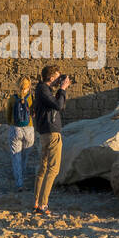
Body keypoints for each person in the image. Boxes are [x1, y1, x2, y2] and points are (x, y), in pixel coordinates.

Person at [32, 65, 71, 214]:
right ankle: (43, 204)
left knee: (43, 168)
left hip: (44, 132)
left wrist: (60, 90)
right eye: (58, 77)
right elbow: (58, 105)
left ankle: (37, 202)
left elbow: (54, 105)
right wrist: (62, 89)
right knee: (53, 169)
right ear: (52, 77)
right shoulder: (43, 89)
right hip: (52, 133)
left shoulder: (41, 90)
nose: (59, 80)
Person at [5, 77, 36, 191]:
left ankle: (19, 183)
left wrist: (11, 123)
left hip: (15, 129)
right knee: (25, 156)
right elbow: (34, 113)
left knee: (15, 157)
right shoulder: (31, 98)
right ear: (28, 87)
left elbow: (8, 114)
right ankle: (23, 175)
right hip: (29, 129)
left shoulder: (12, 99)